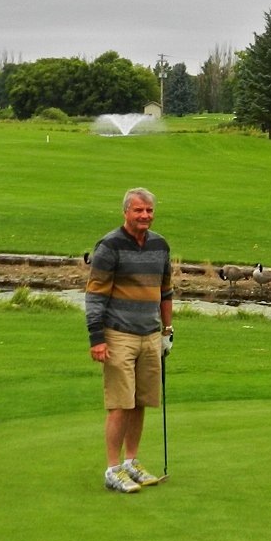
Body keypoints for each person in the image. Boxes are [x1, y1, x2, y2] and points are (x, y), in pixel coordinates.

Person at [85, 187, 174, 493]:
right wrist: (97, 339)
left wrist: (168, 331)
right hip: (118, 334)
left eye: (149, 210)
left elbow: (165, 291)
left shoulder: (160, 245)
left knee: (140, 402)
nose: (145, 216)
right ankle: (112, 469)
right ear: (126, 212)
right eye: (139, 210)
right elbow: (95, 295)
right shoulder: (109, 246)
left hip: (150, 335)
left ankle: (131, 462)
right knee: (120, 404)